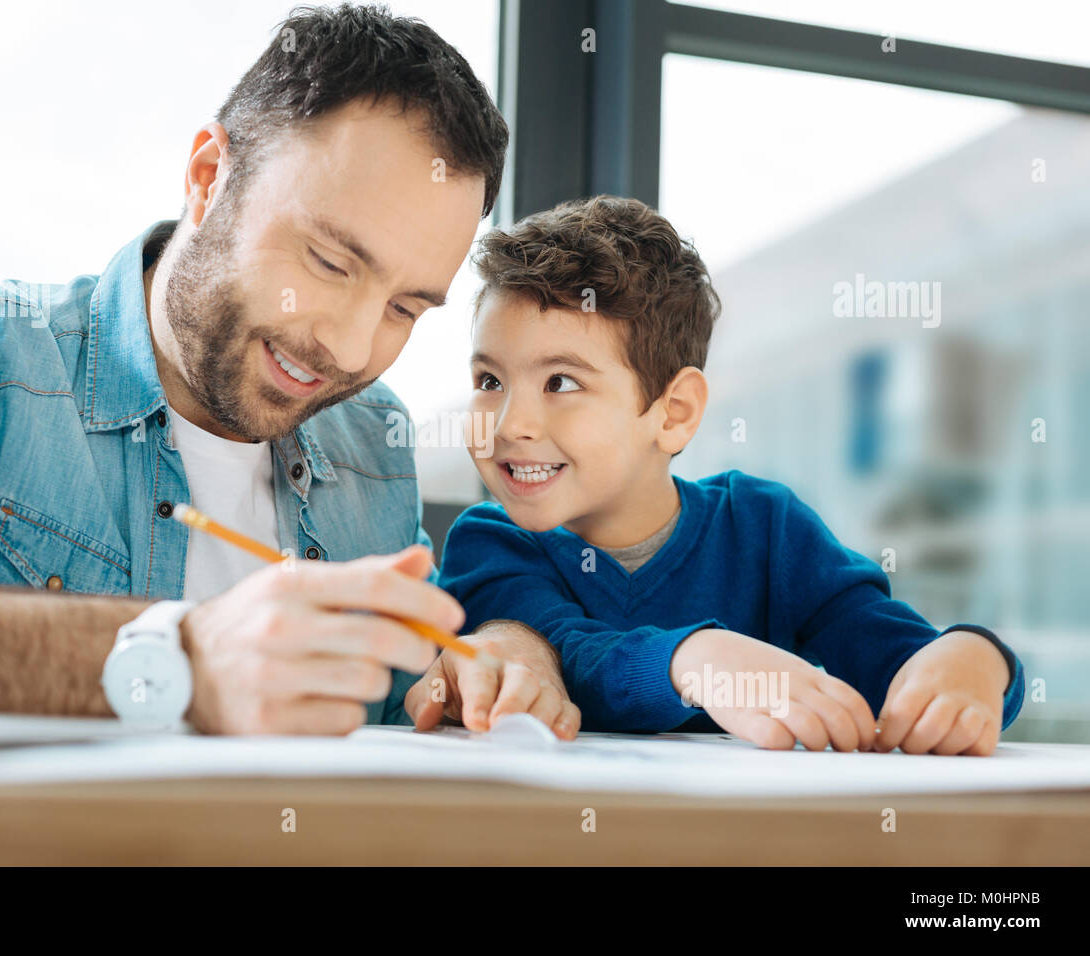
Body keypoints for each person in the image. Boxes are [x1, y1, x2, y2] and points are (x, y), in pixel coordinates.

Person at [0, 4, 579, 739]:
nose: (348, 347)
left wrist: (500, 651)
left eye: (406, 308)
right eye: (332, 262)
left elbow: (430, 663)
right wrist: (171, 659)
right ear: (208, 179)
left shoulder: (372, 444)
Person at [438, 195, 1023, 754]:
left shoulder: (765, 529)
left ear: (675, 413)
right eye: (490, 382)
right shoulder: (489, 545)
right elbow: (567, 656)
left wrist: (976, 658)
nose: (511, 424)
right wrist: (695, 660)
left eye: (560, 383)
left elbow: (891, 654)